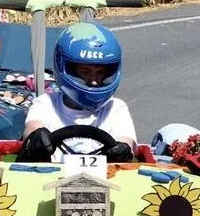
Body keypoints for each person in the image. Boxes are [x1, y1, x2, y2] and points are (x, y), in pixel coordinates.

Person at [20, 22, 136, 163]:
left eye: (100, 73)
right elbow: (33, 126)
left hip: (105, 180)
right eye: (85, 72)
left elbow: (127, 140)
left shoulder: (116, 108)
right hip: (50, 179)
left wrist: (122, 149)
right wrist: (37, 136)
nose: (94, 81)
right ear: (69, 70)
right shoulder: (46, 103)